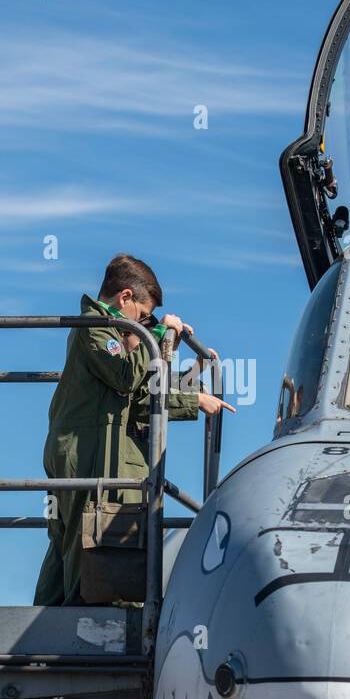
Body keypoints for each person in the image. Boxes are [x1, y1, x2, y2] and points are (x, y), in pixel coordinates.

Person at [33, 253, 235, 606]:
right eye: (141, 317)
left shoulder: (113, 332)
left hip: (86, 447)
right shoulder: (94, 327)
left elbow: (144, 395)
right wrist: (162, 333)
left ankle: (46, 626)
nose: (142, 326)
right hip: (85, 452)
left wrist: (195, 379)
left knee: (70, 542)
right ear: (124, 298)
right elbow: (128, 377)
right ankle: (71, 630)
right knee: (85, 542)